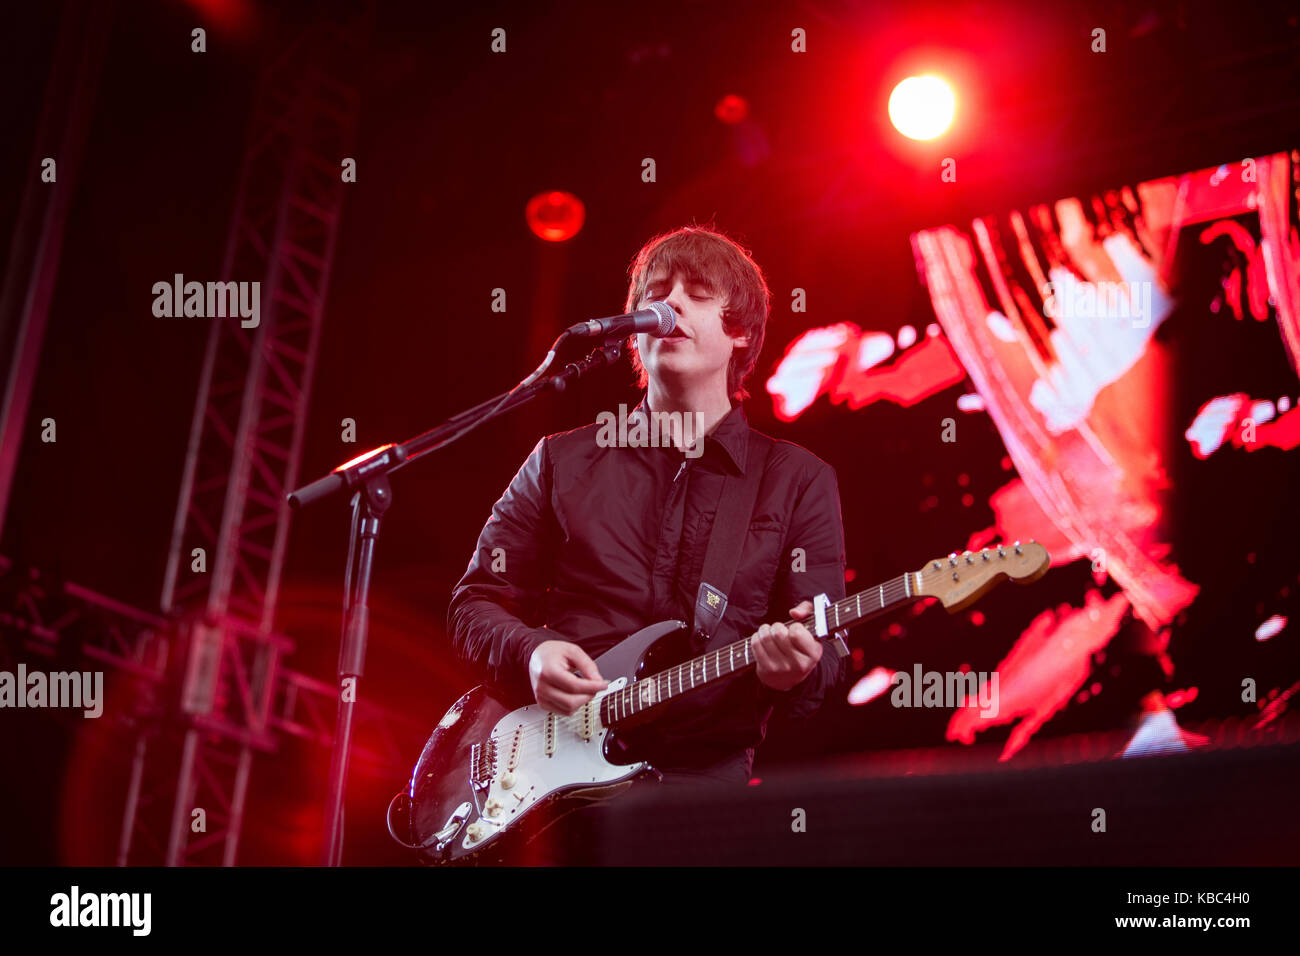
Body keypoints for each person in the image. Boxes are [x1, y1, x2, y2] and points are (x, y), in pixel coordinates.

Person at [448, 225, 847, 797]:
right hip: (544, 781)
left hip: (695, 793)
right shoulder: (563, 460)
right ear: (633, 332)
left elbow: (827, 652)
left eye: (697, 291)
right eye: (656, 291)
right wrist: (531, 653)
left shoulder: (797, 479)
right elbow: (475, 604)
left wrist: (798, 668)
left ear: (738, 331)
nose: (669, 303)